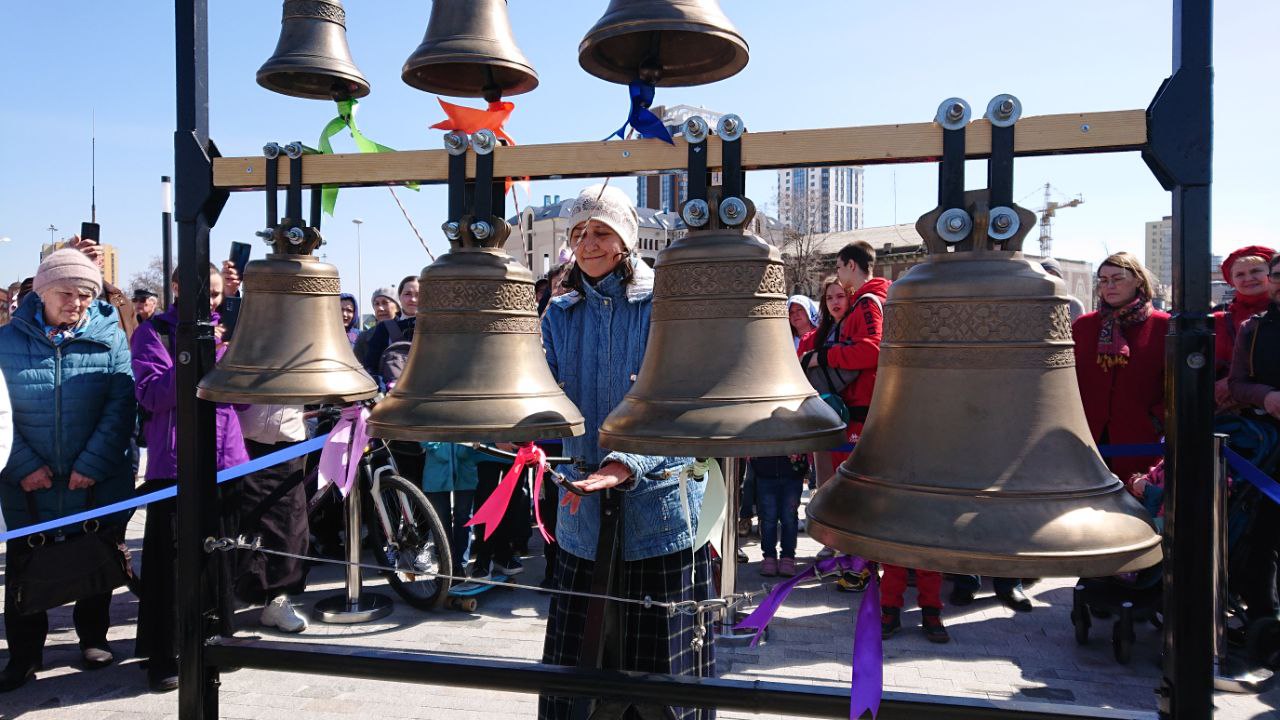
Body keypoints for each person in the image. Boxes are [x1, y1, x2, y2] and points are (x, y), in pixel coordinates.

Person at [539, 185, 710, 720]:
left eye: (602, 231)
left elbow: (684, 405)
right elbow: (544, 395)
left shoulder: (666, 305)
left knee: (660, 681)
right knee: (579, 676)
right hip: (582, 514)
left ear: (627, 240)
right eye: (579, 233)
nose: (588, 243)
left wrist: (628, 464)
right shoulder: (559, 315)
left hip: (658, 517)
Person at [0, 249, 136, 692]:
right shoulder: (6, 340)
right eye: (66, 293)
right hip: (27, 482)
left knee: (92, 555)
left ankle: (93, 638)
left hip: (93, 478)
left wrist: (93, 464)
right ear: (41, 292)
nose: (76, 302)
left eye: (84, 294)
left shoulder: (110, 336)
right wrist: (22, 464)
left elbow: (121, 406)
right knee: (26, 564)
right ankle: (23, 655)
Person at [131, 263, 250, 692]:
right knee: (171, 563)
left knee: (220, 557)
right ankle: (164, 653)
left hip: (227, 460)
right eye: (205, 293)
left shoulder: (234, 332)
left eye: (217, 295)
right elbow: (151, 394)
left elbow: (244, 397)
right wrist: (198, 355)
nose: (211, 302)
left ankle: (218, 638)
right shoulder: (153, 333)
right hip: (173, 466)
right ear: (177, 288)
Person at [1072, 252, 1169, 485]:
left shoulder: (1163, 325)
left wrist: (1156, 419)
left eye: (1118, 278)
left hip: (1141, 437)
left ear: (1138, 280)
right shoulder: (1085, 326)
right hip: (1088, 435)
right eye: (1103, 280)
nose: (1110, 286)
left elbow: (1176, 384)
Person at [1227, 252, 1280, 626]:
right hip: (1270, 443)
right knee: (1264, 536)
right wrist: (1266, 396)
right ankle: (1265, 620)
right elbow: (1237, 385)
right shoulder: (1255, 327)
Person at [232, 403, 311, 633]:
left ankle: (277, 598)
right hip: (244, 436)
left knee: (289, 525)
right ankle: (234, 593)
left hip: (289, 439)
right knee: (242, 521)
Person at [1215, 245, 1276, 411]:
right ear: (1232, 280)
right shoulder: (1218, 319)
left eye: (1256, 271)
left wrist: (1235, 386)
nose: (1248, 278)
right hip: (1227, 415)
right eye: (1240, 274)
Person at [422, 442, 480, 581]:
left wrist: (467, 449)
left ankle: (459, 565)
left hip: (466, 466)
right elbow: (422, 428)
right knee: (440, 521)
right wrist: (438, 449)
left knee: (464, 517)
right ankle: (445, 565)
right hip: (436, 468)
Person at [750, 454, 807, 577]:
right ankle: (769, 557)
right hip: (765, 469)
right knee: (768, 517)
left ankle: (788, 557)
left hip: (792, 471)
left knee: (789, 517)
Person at [361, 275, 419, 384]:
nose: (413, 299)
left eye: (418, 295)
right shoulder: (384, 329)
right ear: (400, 297)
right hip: (392, 393)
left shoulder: (434, 327)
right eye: (407, 294)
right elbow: (371, 365)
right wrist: (384, 386)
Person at [354, 286, 400, 367]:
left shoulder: (407, 331)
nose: (380, 308)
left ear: (397, 307)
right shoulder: (364, 337)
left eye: (385, 303)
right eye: (376, 304)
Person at [1040, 258, 1086, 323]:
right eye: (1043, 274)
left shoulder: (1074, 306)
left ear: (1060, 278)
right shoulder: (1032, 303)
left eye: (1051, 274)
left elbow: (1081, 331)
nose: (1048, 279)